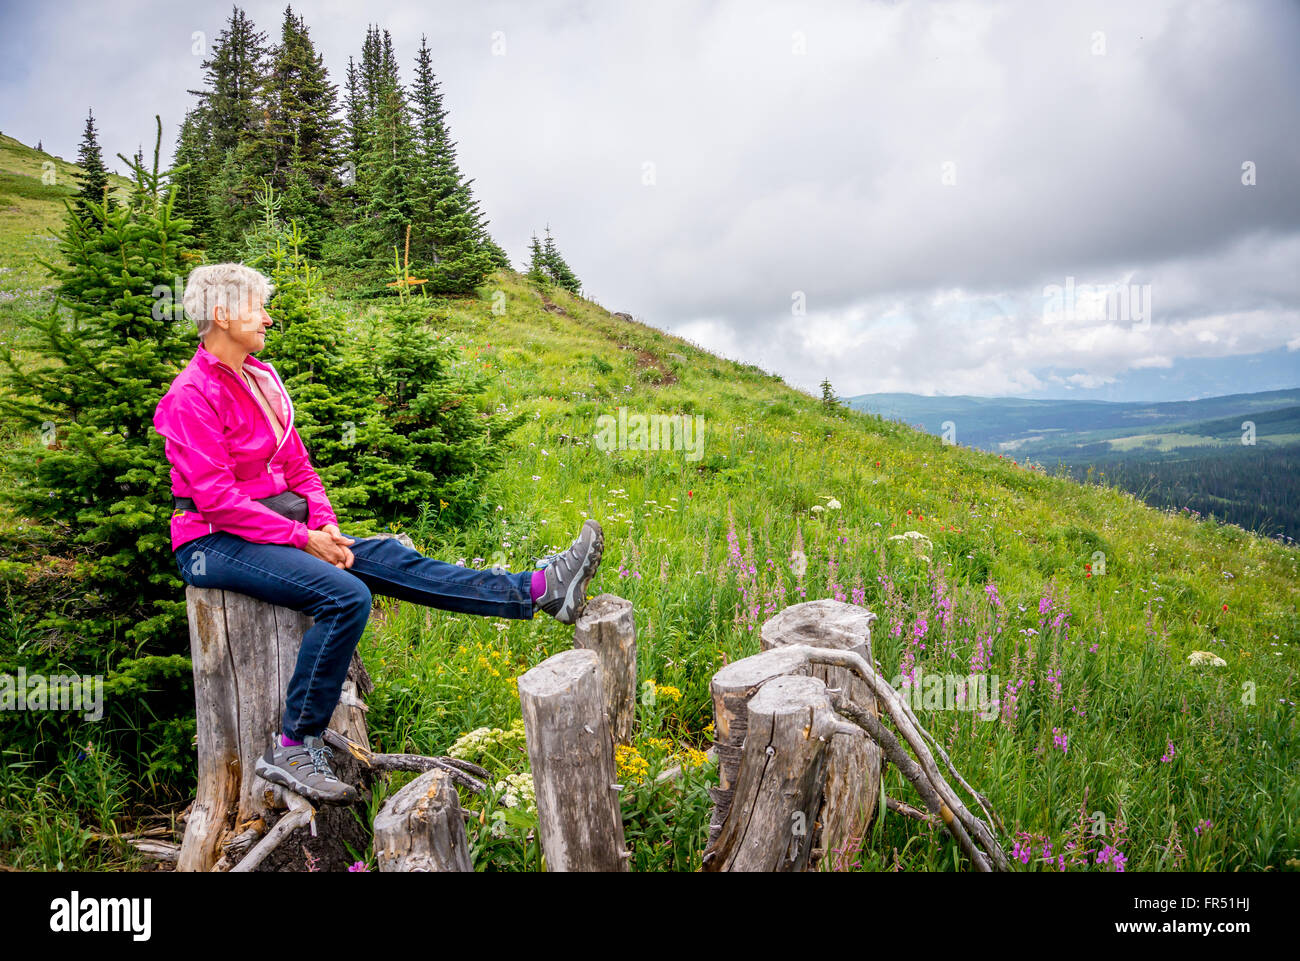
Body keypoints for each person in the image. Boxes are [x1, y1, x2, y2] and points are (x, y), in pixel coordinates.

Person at [154, 263, 603, 805]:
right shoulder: (190, 395)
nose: (268, 318)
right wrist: (303, 540)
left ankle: (538, 591)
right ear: (222, 315)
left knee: (385, 555)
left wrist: (323, 523)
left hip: (280, 527)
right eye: (258, 308)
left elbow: (299, 467)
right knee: (345, 596)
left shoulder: (261, 378)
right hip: (211, 542)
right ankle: (293, 745)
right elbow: (217, 502)